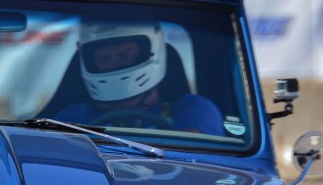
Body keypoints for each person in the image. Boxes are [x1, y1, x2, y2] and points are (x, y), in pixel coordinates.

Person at [54, 15, 223, 135]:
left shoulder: (193, 109)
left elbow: (194, 164)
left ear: (150, 52)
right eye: (104, 59)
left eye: (125, 55)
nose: (115, 65)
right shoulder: (74, 116)